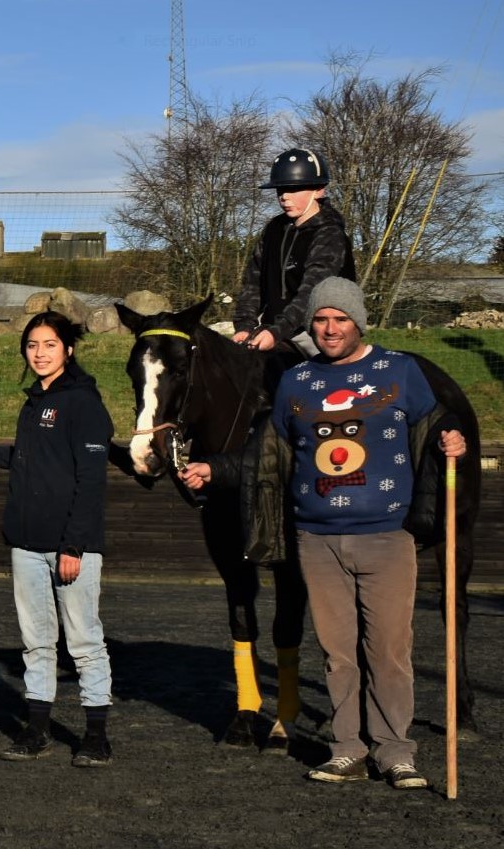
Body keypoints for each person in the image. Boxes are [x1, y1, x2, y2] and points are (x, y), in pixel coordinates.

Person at [180, 277, 465, 789]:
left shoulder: (400, 371)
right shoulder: (297, 382)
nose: (330, 328)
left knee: (388, 650)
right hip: (316, 538)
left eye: (340, 318)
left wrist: (451, 438)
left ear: (359, 322)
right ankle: (348, 749)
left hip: (387, 535)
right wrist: (214, 469)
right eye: (321, 319)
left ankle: (395, 751)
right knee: (338, 653)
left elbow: (435, 423)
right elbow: (266, 454)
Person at [0, 311, 114, 767]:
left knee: (84, 641)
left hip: (70, 548)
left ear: (68, 349)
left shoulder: (84, 403)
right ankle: (38, 729)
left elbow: (91, 480)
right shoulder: (34, 402)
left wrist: (75, 545)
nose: (40, 353)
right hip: (25, 544)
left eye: (48, 344)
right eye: (32, 345)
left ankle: (96, 735)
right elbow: (28, 459)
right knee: (37, 642)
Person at [232, 147, 355, 356]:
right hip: (272, 330)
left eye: (293, 189)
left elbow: (312, 292)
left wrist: (276, 332)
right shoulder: (273, 229)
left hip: (319, 333)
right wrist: (245, 326)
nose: (284, 197)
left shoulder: (330, 235)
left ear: (319, 190)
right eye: (280, 190)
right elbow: (253, 283)